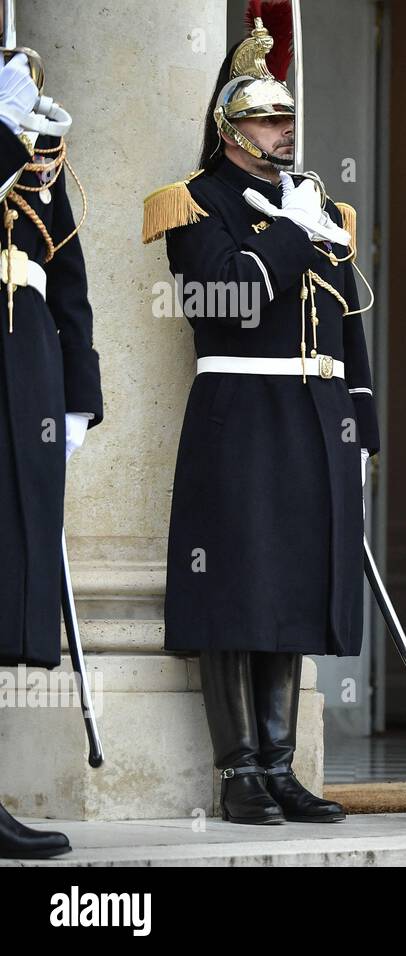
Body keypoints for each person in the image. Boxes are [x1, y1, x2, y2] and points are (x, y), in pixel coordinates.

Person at [142, 9, 379, 824]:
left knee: (293, 583)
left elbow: (349, 327)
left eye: (286, 118)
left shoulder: (321, 209)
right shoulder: (194, 204)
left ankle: (279, 766)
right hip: (239, 407)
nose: (284, 131)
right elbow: (227, 298)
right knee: (235, 585)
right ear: (230, 129)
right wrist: (290, 233)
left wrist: (360, 427)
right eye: (267, 120)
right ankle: (238, 772)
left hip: (313, 409)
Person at [0, 52, 102, 859]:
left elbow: (65, 272)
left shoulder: (38, 148)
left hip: (25, 362)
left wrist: (78, 393)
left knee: (11, 575)